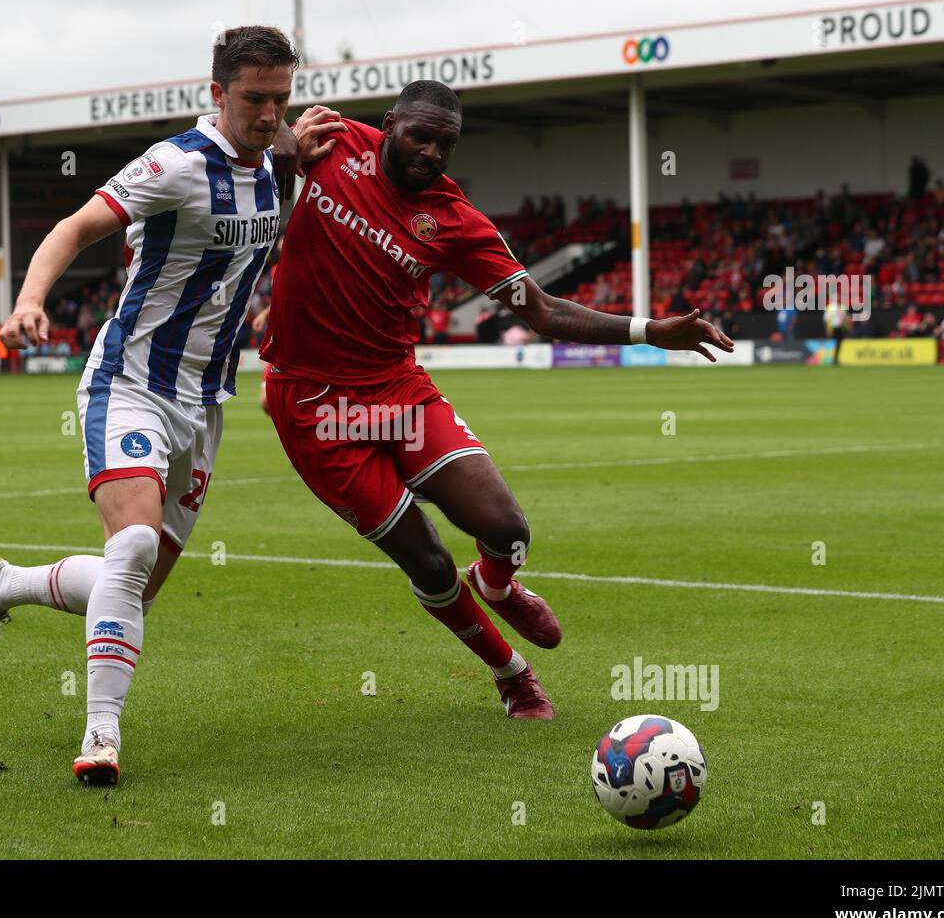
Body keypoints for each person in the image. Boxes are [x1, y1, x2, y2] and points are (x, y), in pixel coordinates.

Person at [259, 82, 731, 720]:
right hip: (312, 406)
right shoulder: (333, 143)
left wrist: (650, 332)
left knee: (506, 526)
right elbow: (244, 140)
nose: (429, 152)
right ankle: (513, 674)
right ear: (390, 123)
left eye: (445, 144)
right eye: (418, 135)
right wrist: (284, 143)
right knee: (425, 557)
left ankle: (496, 581)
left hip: (396, 388)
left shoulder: (453, 220)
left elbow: (541, 309)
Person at [0, 26, 324, 787]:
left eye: (280, 99)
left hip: (205, 405)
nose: (269, 114)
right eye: (255, 99)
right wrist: (29, 302)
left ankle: (7, 585)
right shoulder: (174, 165)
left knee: (132, 586)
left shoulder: (280, 165)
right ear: (216, 92)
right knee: (129, 553)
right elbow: (75, 227)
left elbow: (264, 248)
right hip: (129, 382)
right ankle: (101, 736)